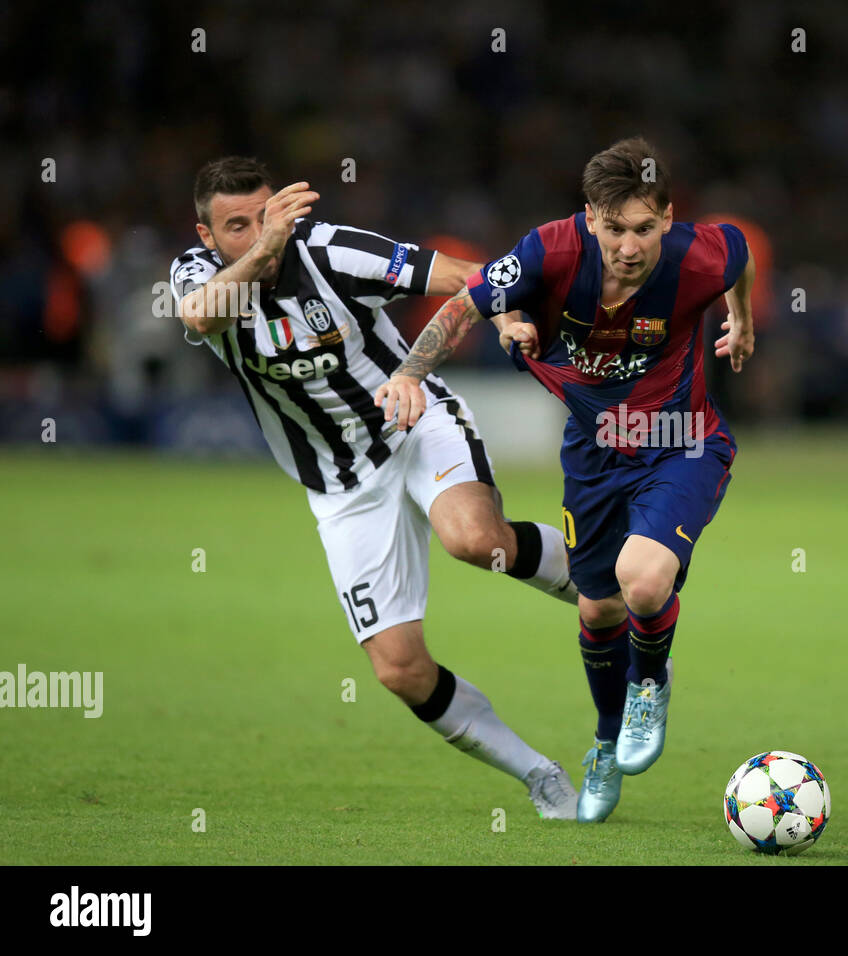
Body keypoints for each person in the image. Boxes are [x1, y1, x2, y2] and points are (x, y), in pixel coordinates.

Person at [169, 156, 579, 818]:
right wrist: (265, 248)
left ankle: (615, 605)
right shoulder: (194, 275)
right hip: (338, 486)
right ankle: (538, 773)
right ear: (207, 235)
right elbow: (199, 319)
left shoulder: (332, 251)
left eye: (267, 216)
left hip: (413, 425)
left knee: (476, 541)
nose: (256, 233)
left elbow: (455, 275)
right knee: (399, 670)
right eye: (235, 226)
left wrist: (502, 316)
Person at [375, 137, 755, 821]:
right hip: (593, 455)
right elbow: (467, 302)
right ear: (590, 217)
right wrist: (411, 371)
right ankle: (606, 744)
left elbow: (740, 257)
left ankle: (649, 688)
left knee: (643, 581)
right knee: (598, 607)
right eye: (615, 228)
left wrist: (742, 320)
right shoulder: (549, 253)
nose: (630, 245)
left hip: (682, 443)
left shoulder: (699, 254)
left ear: (668, 219)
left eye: (645, 228)